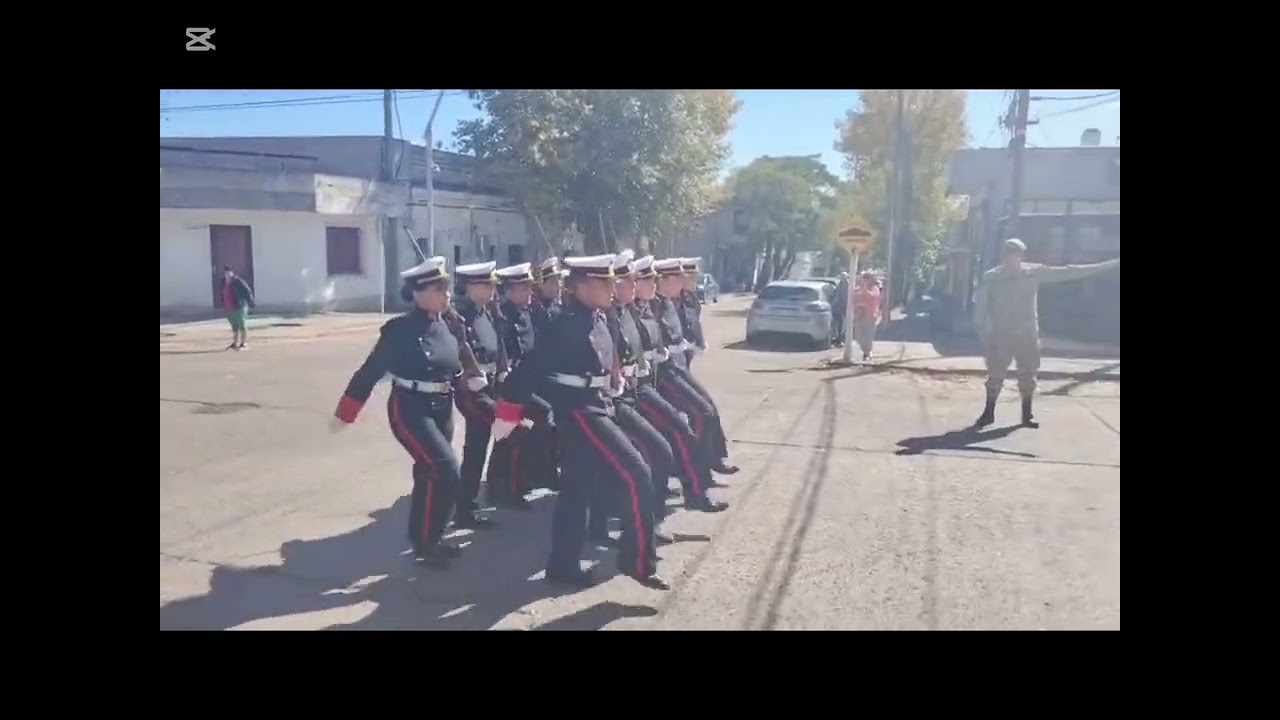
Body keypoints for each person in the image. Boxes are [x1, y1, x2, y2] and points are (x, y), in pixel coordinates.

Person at [491, 254, 668, 591]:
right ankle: (638, 561)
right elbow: (531, 367)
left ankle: (562, 566)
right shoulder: (565, 323)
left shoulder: (600, 317)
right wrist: (508, 410)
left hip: (598, 404)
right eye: (604, 283)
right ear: (582, 288)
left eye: (612, 282)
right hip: (579, 411)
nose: (611, 289)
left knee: (577, 490)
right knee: (636, 471)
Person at [329, 257, 483, 569]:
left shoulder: (449, 324)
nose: (446, 294)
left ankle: (429, 538)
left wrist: (474, 382)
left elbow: (458, 362)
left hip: (442, 406)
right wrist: (348, 410)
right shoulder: (399, 330)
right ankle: (426, 540)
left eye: (447, 288)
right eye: (439, 288)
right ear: (417, 293)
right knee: (445, 470)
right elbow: (371, 370)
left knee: (430, 475)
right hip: (410, 408)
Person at [973, 238, 1121, 428]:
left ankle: (1027, 415)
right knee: (995, 375)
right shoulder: (992, 278)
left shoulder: (1032, 273)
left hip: (1027, 334)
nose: (1011, 257)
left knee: (1028, 374)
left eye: (1016, 253)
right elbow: (982, 309)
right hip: (1002, 334)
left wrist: (1108, 265)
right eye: (1008, 253)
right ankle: (988, 413)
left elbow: (1069, 272)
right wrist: (985, 335)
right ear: (1003, 255)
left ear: (1021, 255)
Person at [587, 250, 681, 546]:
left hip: (630, 393)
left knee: (617, 466)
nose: (623, 287)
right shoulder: (608, 317)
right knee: (651, 453)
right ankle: (636, 526)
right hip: (614, 401)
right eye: (624, 281)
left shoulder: (627, 313)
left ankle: (629, 523)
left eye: (624, 281)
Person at [629, 254, 729, 512]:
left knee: (695, 419)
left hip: (662, 375)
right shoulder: (643, 308)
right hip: (653, 381)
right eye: (678, 277)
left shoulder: (658, 304)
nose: (685, 281)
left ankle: (696, 476)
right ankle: (693, 481)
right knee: (686, 425)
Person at [653, 258, 739, 477]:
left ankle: (708, 461)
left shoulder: (673, 301)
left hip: (680, 367)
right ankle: (696, 470)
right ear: (662, 280)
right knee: (700, 414)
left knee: (706, 410)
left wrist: (692, 344)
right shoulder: (655, 305)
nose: (685, 281)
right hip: (664, 374)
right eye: (679, 276)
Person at [488, 262, 557, 508]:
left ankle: (510, 483)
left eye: (530, 286)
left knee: (510, 435)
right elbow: (500, 351)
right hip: (509, 386)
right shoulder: (501, 317)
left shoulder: (528, 312)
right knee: (513, 433)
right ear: (509, 290)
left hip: (525, 383)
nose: (530, 292)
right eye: (524, 287)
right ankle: (508, 488)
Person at [451, 261, 507, 529]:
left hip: (491, 384)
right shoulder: (459, 316)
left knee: (479, 446)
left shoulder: (486, 312)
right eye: (487, 284)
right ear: (471, 287)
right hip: (471, 391)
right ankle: (466, 507)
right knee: (486, 439)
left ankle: (468, 505)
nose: (492, 289)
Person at [678, 257, 708, 368]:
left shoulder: (692, 297)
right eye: (691, 278)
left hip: (690, 347)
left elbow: (696, 320)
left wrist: (701, 342)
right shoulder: (676, 299)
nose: (694, 282)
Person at [219, 266, 255, 351]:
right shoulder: (223, 282)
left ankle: (243, 343)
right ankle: (235, 343)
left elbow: (247, 291)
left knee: (241, 324)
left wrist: (250, 301)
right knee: (234, 326)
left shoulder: (237, 281)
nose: (227, 274)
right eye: (226, 272)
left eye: (229, 272)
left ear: (232, 272)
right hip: (229, 308)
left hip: (239, 306)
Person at [852, 271, 882, 361]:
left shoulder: (875, 288)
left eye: (866, 278)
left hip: (870, 315)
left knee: (868, 335)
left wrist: (863, 287)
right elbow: (853, 297)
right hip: (859, 315)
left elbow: (871, 296)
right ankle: (865, 350)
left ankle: (867, 353)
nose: (865, 280)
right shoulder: (858, 288)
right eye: (864, 278)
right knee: (858, 335)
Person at [832, 271, 850, 347]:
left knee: (847, 322)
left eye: (844, 277)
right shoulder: (838, 285)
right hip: (840, 305)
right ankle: (839, 339)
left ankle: (844, 338)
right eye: (842, 277)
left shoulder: (849, 285)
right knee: (840, 323)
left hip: (847, 305)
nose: (842, 278)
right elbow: (836, 295)